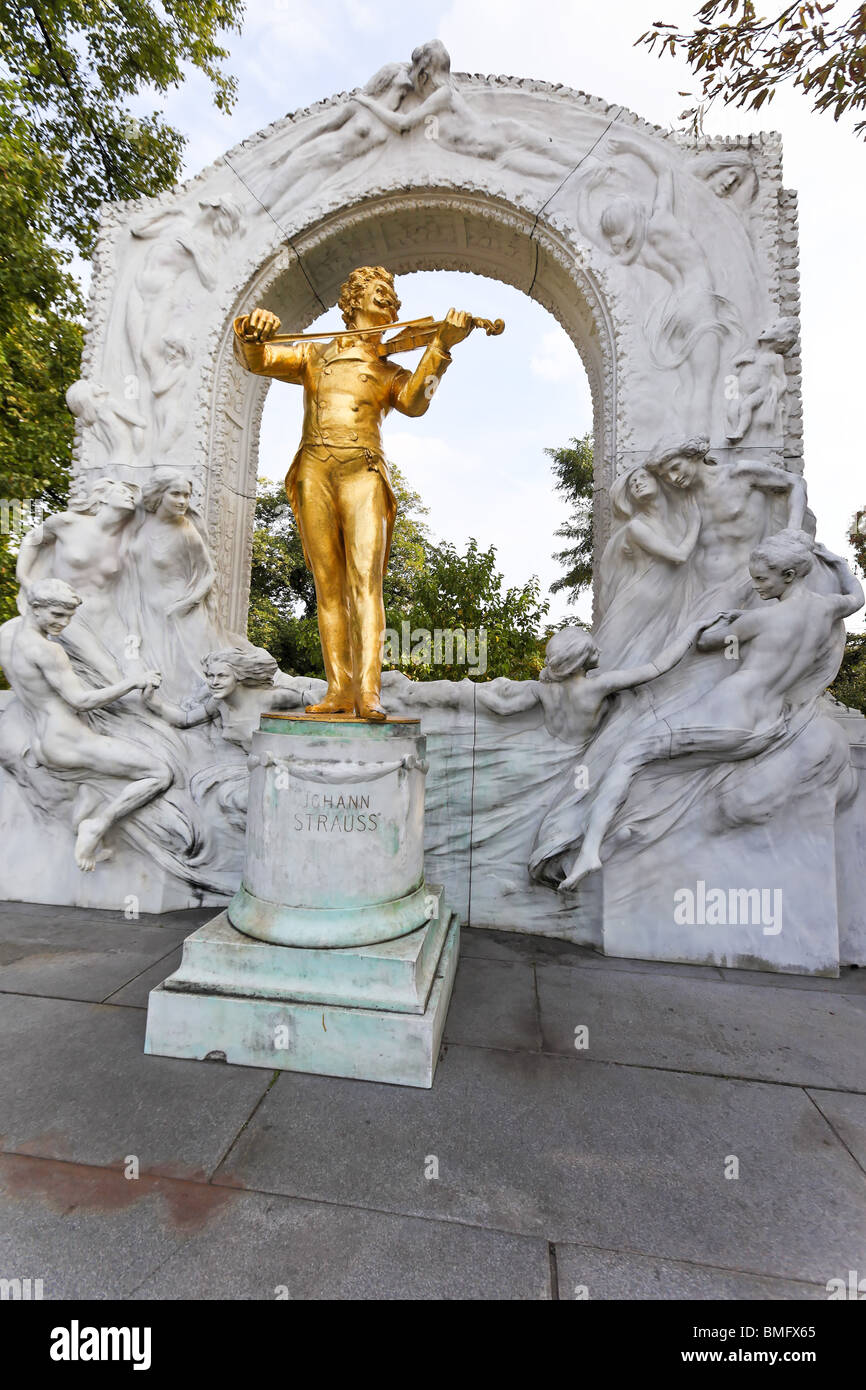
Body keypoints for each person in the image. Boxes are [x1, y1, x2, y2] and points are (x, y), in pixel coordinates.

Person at [555, 531, 864, 891]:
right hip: (765, 726)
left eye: (762, 579)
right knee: (663, 767)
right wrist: (838, 562)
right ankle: (635, 833)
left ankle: (590, 850)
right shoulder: (826, 609)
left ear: (790, 576)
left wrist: (718, 620)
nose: (756, 586)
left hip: (729, 712)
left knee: (629, 755)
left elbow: (706, 642)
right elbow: (856, 596)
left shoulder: (759, 620)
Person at [233, 265, 478, 719]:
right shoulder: (314, 354)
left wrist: (440, 347)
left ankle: (368, 693)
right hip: (314, 469)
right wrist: (252, 332)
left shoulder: (388, 368)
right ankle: (339, 690)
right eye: (382, 293)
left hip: (363, 470)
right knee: (328, 588)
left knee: (366, 585)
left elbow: (415, 402)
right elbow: (258, 360)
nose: (393, 304)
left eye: (394, 296)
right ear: (353, 302)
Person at [0, 579, 168, 871]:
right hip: (67, 740)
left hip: (41, 741)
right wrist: (132, 682)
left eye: (68, 616)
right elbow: (80, 700)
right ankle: (97, 825)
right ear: (34, 607)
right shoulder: (47, 650)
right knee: (159, 773)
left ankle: (84, 823)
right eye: (57, 614)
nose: (63, 623)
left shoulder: (7, 632)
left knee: (100, 779)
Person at [477, 620, 715, 749]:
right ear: (581, 659)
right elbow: (656, 668)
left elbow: (503, 708)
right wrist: (692, 631)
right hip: (579, 754)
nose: (599, 650)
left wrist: (475, 690)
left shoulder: (543, 689)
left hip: (548, 751)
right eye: (593, 650)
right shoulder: (598, 686)